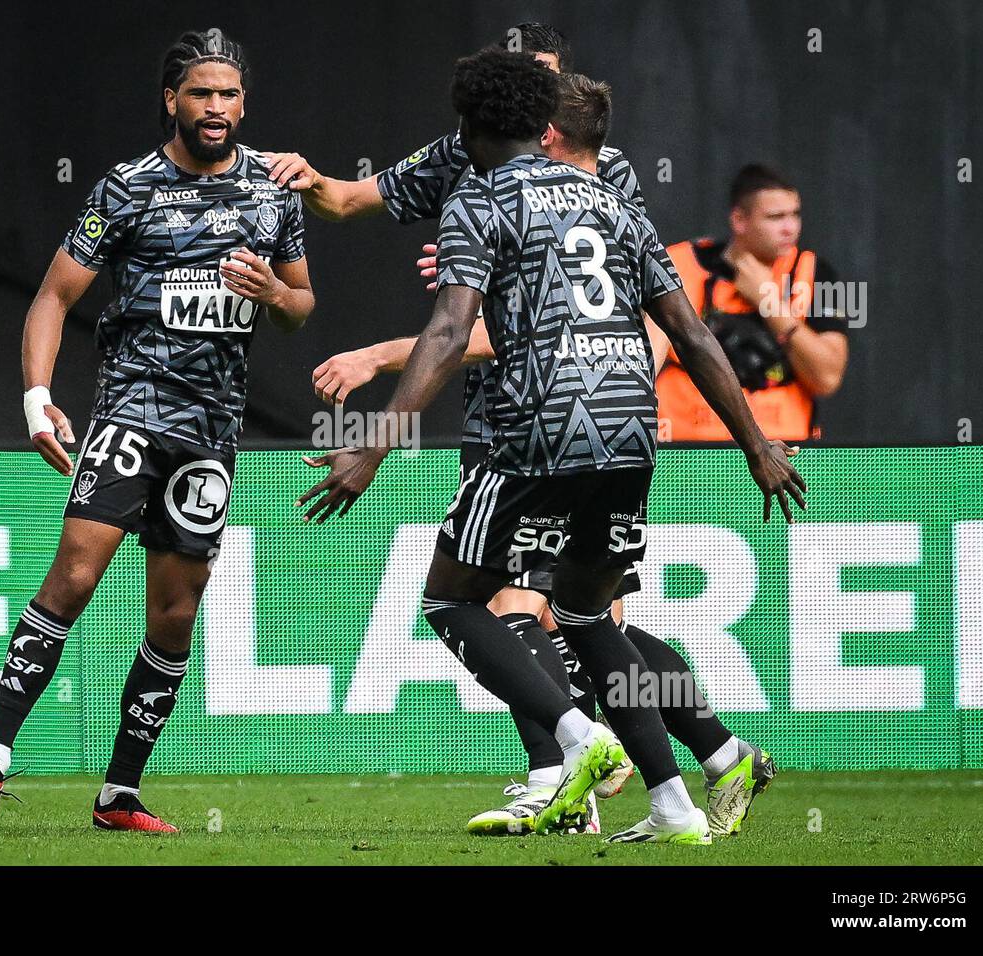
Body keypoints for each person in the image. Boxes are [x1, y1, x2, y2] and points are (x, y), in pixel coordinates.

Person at [298, 49, 805, 844]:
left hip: (539, 431)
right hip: (632, 427)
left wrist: (370, 445)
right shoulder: (615, 202)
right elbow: (691, 332)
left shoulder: (478, 199)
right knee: (585, 611)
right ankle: (677, 804)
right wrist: (758, 444)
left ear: (464, 127)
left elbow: (447, 331)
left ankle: (577, 743)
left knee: (453, 599)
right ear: (544, 124)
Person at [271, 22, 640, 835]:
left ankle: (616, 762)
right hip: (523, 415)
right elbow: (347, 199)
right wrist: (306, 180)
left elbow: (526, 323)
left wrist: (378, 362)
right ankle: (589, 772)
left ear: (559, 98)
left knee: (572, 610)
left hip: (563, 409)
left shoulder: (600, 172)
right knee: (525, 603)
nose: (531, 108)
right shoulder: (461, 159)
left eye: (540, 86)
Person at [0, 29, 315, 833]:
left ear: (243, 103)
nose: (216, 108)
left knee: (176, 614)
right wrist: (37, 394)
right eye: (201, 93)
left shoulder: (274, 191)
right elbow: (51, 295)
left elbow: (301, 304)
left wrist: (277, 298)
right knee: (73, 580)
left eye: (229, 95)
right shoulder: (128, 187)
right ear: (171, 100)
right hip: (131, 416)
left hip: (211, 435)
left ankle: (120, 793)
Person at [655, 165, 849, 441]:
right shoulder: (678, 265)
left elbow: (827, 378)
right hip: (687, 448)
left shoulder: (816, 272)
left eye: (795, 214)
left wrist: (767, 301)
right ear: (739, 220)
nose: (790, 227)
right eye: (775, 217)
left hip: (785, 451)